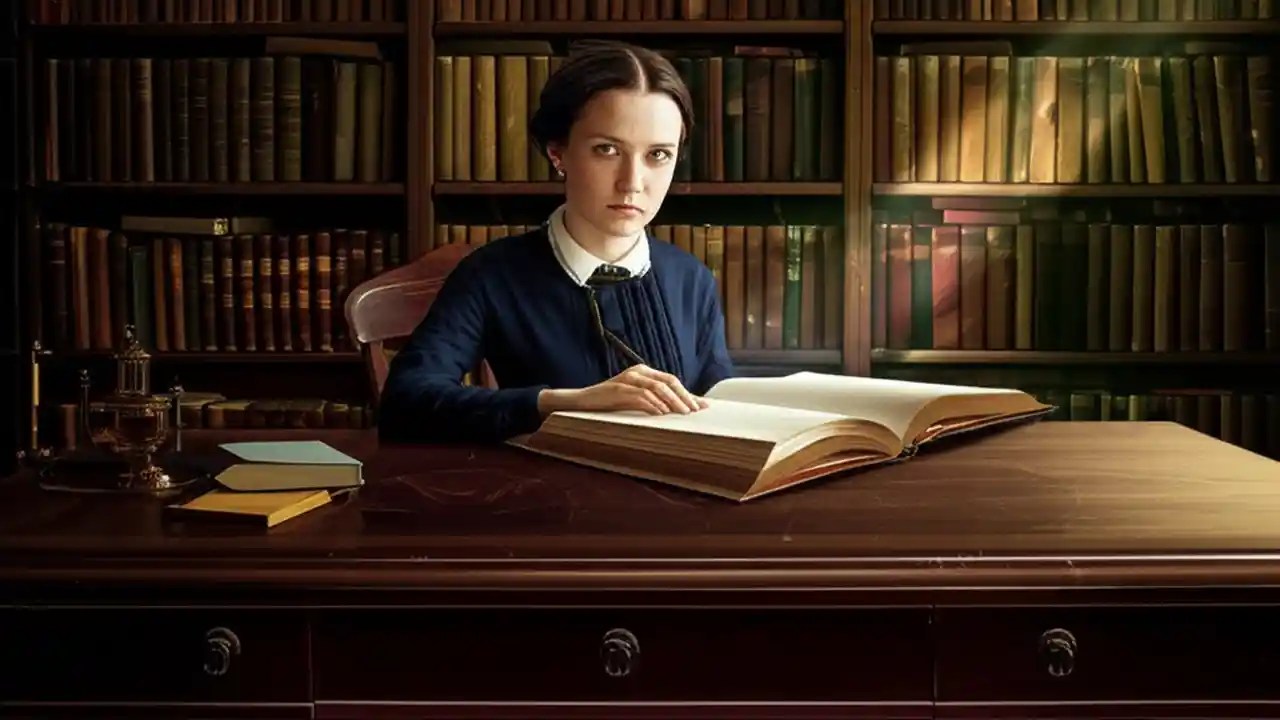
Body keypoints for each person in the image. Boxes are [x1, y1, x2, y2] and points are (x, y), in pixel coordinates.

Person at [378, 40, 734, 444]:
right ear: (557, 152)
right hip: (544, 499)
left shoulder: (692, 278)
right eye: (607, 149)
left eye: (658, 155)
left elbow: (720, 403)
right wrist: (563, 403)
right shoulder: (493, 275)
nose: (632, 182)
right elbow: (403, 403)